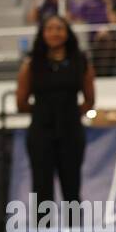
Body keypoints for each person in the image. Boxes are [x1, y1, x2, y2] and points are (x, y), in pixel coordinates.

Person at [15, 15, 95, 208]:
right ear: (42, 34)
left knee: (72, 188)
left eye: (59, 28)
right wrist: (44, 111)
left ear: (67, 33)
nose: (54, 33)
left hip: (71, 132)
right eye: (49, 29)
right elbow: (21, 103)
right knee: (42, 189)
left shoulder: (81, 62)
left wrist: (70, 113)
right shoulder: (31, 65)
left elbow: (90, 100)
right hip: (41, 133)